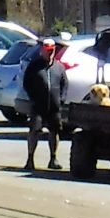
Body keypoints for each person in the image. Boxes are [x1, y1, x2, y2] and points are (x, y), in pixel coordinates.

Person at [21, 38, 64, 172]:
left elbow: (64, 84)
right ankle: (30, 159)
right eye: (47, 51)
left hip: (54, 107)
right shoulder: (34, 66)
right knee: (34, 131)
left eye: (52, 51)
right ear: (42, 51)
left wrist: (61, 99)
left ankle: (53, 158)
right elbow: (26, 83)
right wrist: (33, 98)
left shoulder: (59, 67)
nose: (50, 53)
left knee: (54, 131)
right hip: (38, 105)